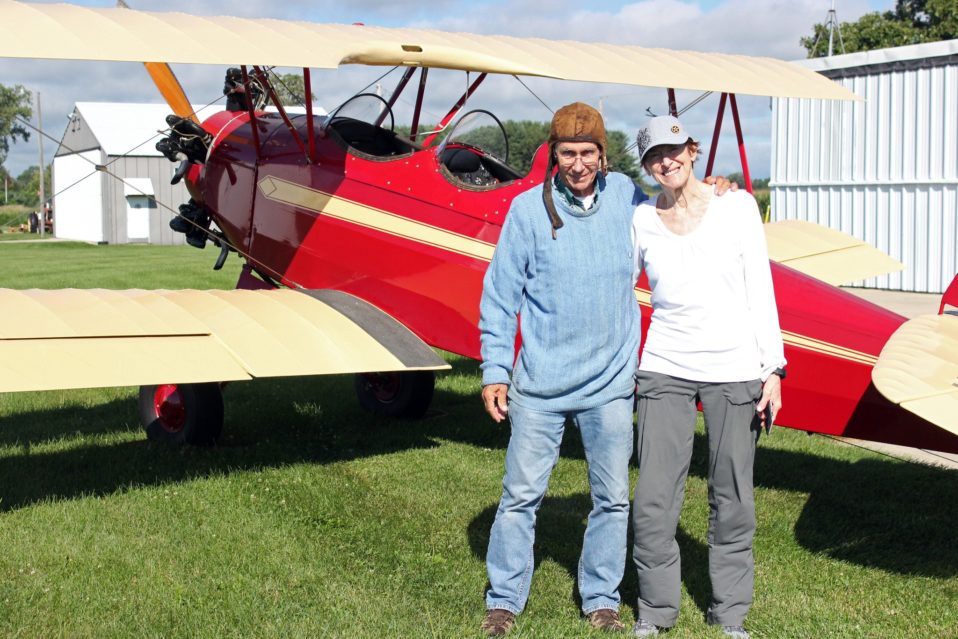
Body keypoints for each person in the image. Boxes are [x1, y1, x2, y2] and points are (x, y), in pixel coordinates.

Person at [478, 102, 645, 636]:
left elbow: (675, 209)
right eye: (568, 153)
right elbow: (501, 298)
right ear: (554, 155)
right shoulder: (527, 211)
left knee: (613, 499)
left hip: (611, 385)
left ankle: (601, 598)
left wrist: (715, 190)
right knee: (520, 497)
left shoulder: (626, 198)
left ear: (603, 155)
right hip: (541, 386)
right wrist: (495, 369)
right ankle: (503, 599)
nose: (578, 164)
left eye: (588, 153)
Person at [628, 115, 786, 639]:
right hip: (664, 366)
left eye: (673, 150)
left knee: (733, 496)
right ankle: (655, 612)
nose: (665, 162)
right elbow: (619, 290)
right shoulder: (640, 220)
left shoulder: (737, 206)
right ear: (646, 165)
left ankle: (731, 614)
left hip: (735, 368)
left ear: (692, 150)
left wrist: (773, 368)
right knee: (653, 499)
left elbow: (759, 287)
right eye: (653, 157)